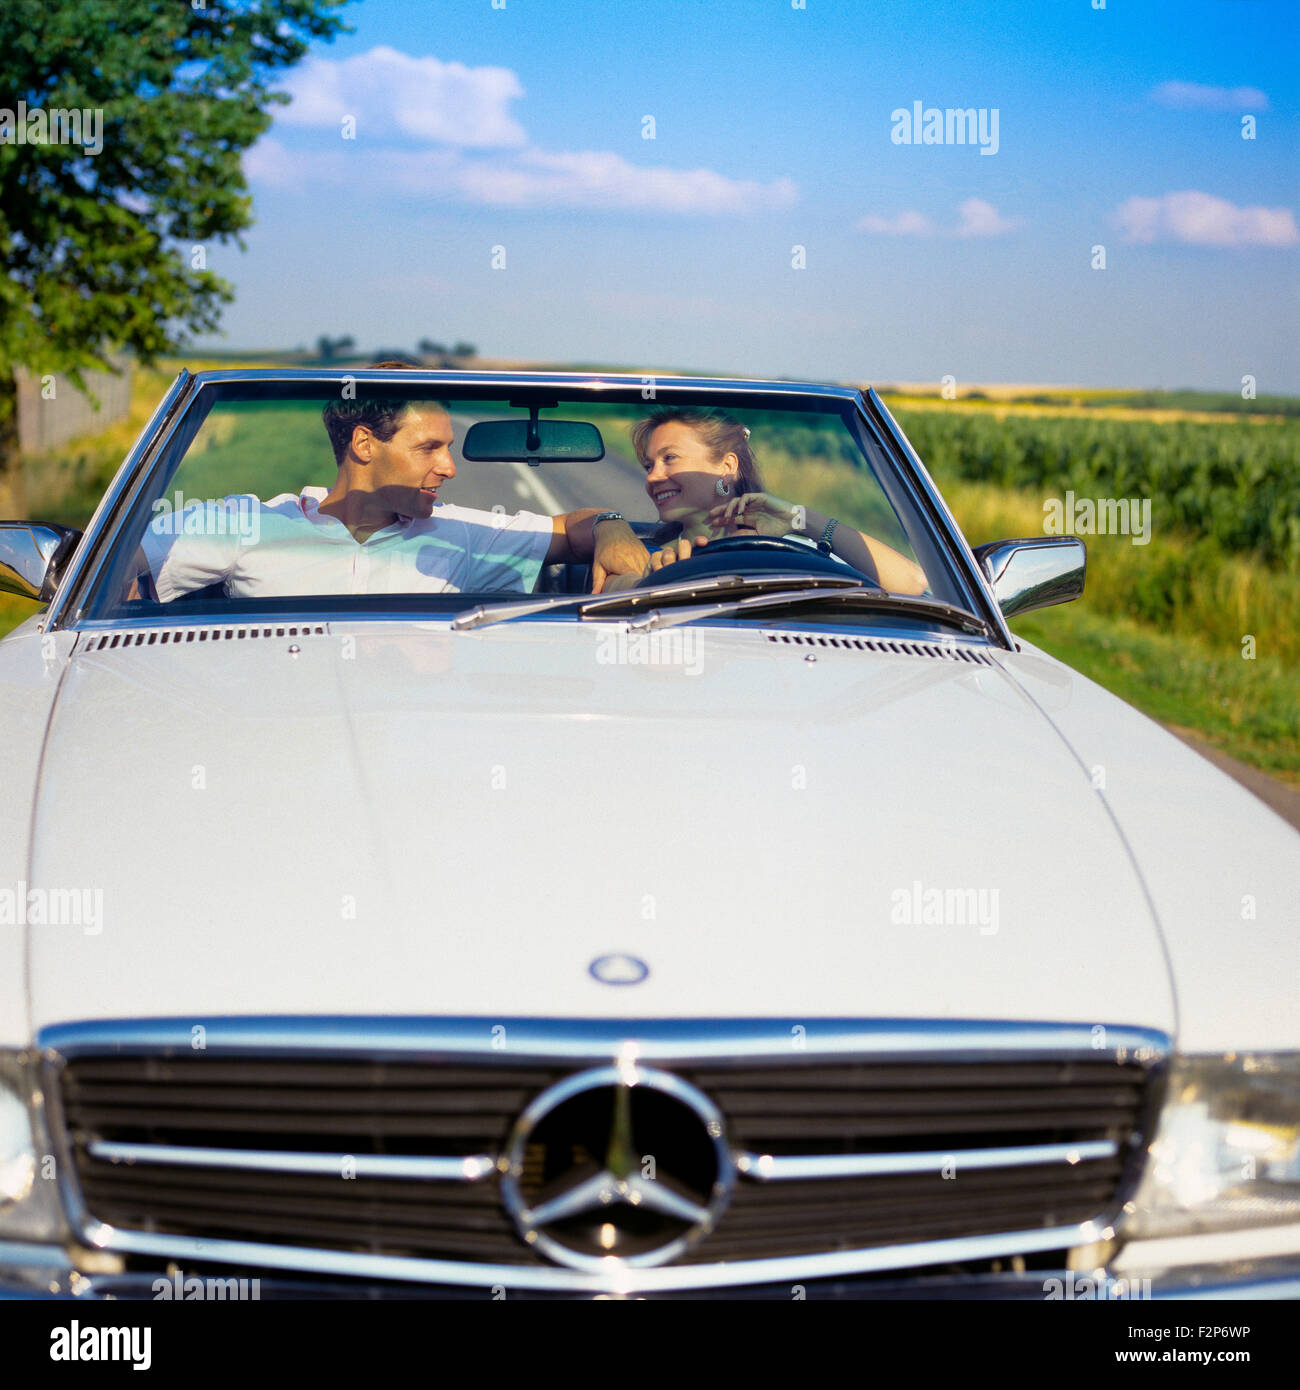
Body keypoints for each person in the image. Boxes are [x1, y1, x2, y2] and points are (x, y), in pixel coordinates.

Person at [130, 370, 650, 601]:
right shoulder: (250, 523)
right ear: (364, 445)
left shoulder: (461, 533)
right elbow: (123, 565)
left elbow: (573, 528)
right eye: (429, 449)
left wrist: (611, 526)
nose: (450, 468)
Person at [614, 406, 927, 594]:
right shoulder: (652, 556)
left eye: (669, 458)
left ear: (726, 468)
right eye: (648, 466)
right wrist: (651, 578)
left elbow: (911, 583)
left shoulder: (800, 548)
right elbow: (609, 590)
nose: (653, 477)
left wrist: (801, 520)